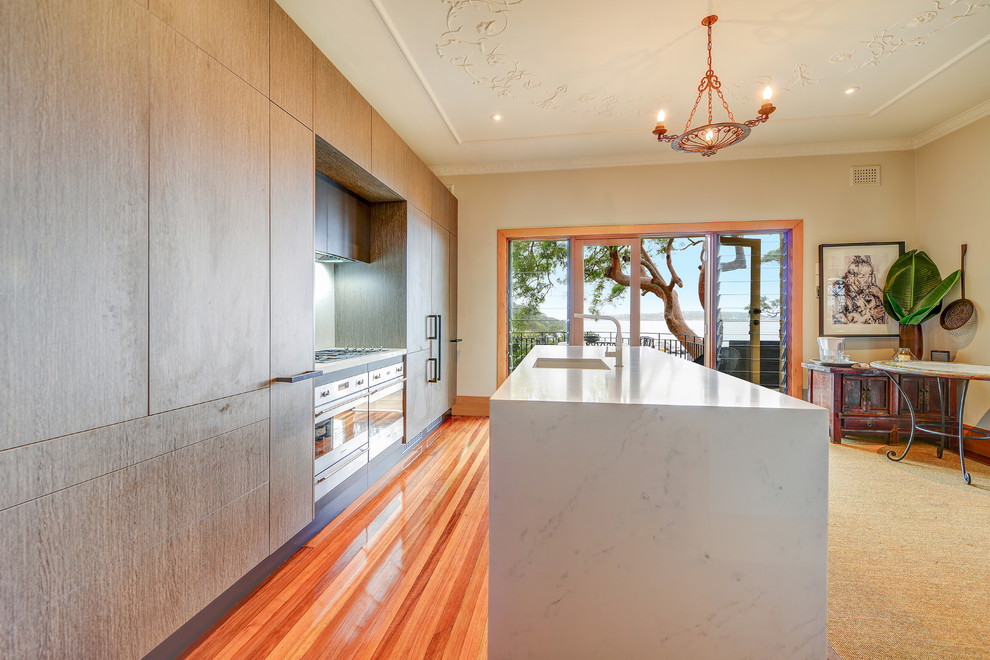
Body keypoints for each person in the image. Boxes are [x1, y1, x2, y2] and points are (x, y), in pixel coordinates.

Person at [831, 255, 886, 325]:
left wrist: (880, 295)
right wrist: (871, 315)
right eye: (863, 276)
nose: (868, 280)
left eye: (869, 275)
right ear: (852, 277)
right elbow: (841, 323)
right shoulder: (841, 295)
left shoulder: (871, 293)